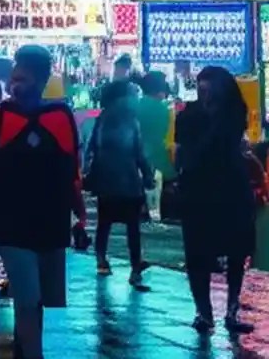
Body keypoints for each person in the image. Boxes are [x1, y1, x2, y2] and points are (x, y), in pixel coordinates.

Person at [0, 46, 85, 359]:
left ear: (41, 79)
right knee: (29, 297)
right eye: (14, 77)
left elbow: (73, 172)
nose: (15, 84)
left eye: (23, 78)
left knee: (38, 299)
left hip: (52, 220)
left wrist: (80, 216)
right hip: (11, 221)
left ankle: (24, 349)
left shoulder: (60, 117)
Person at [175, 66, 256, 334]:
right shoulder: (190, 114)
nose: (202, 88)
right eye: (200, 83)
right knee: (198, 253)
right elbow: (184, 151)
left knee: (236, 252)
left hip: (229, 189)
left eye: (207, 83)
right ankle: (204, 311)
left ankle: (230, 309)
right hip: (200, 190)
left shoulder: (231, 114)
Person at [83, 79, 153, 288]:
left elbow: (91, 147)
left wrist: (89, 171)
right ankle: (134, 267)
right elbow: (138, 151)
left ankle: (102, 259)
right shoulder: (130, 120)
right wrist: (147, 174)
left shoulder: (103, 117)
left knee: (105, 223)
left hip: (106, 180)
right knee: (132, 227)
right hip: (127, 180)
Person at [137, 70, 175, 221]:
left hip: (136, 160)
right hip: (156, 158)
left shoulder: (137, 106)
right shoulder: (163, 110)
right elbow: (165, 140)